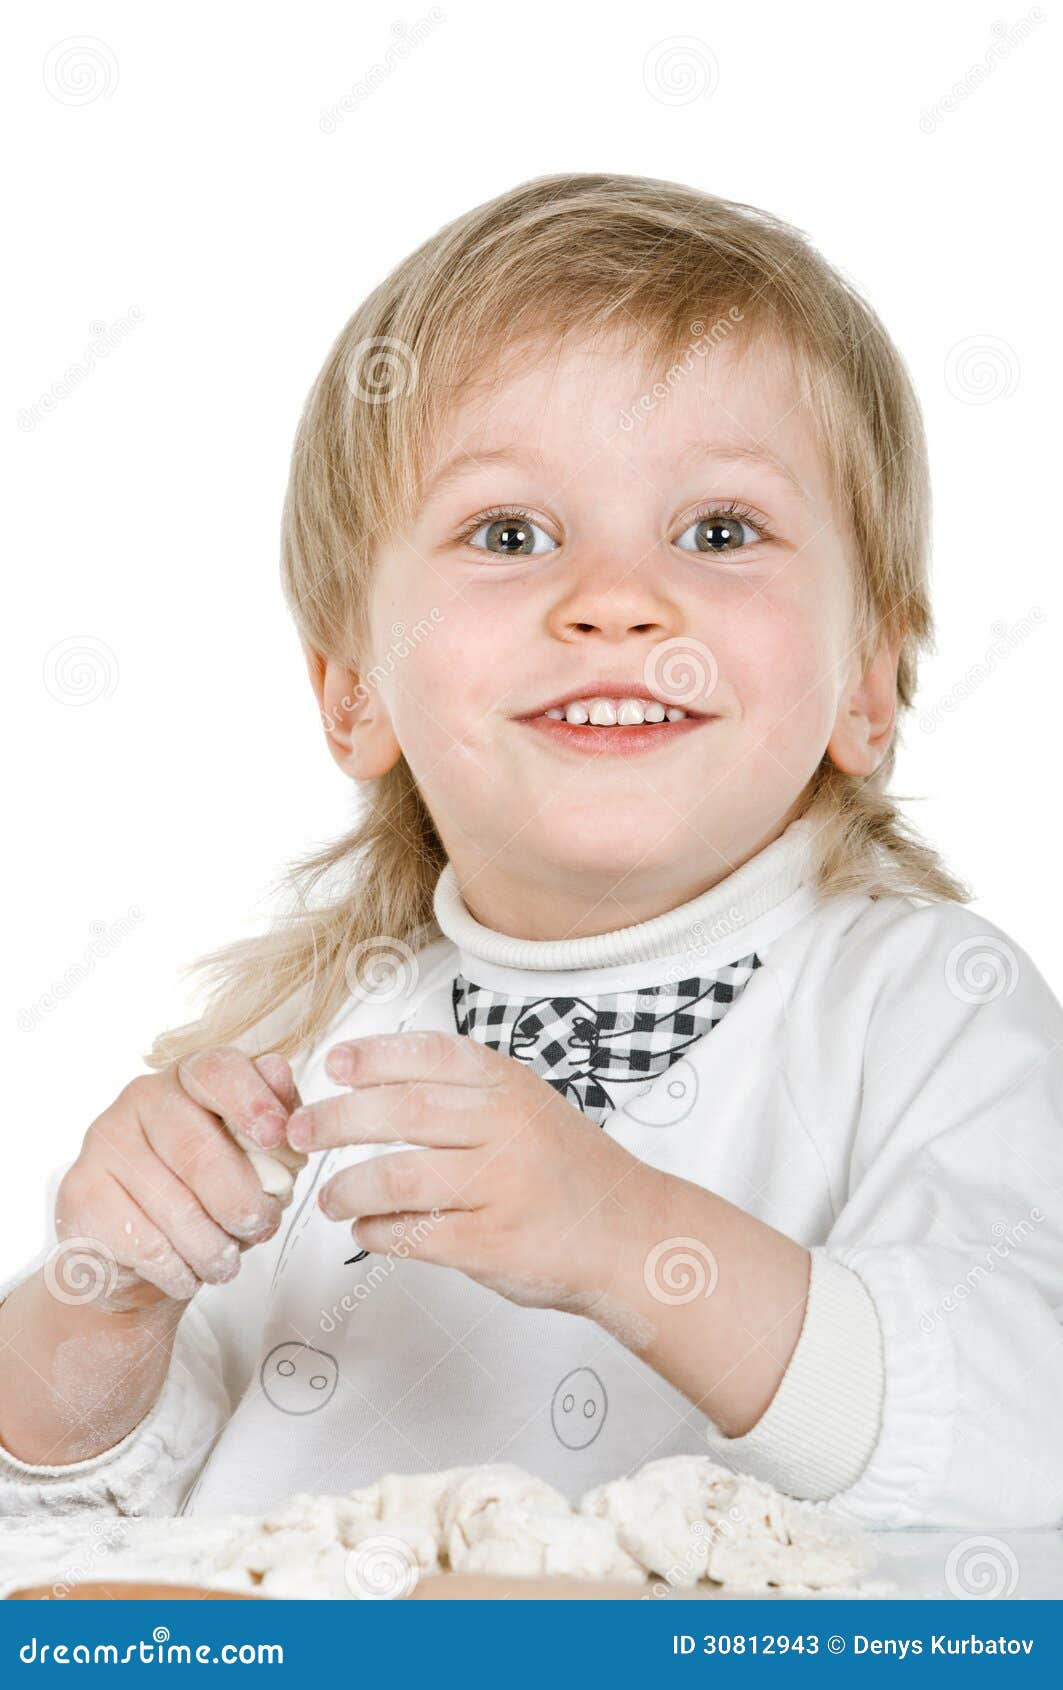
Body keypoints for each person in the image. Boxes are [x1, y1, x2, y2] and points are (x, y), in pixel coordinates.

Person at [2, 173, 1060, 1532]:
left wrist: (626, 1236)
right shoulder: (299, 1040)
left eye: (719, 531)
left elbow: (1027, 1437)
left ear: (869, 677)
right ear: (353, 690)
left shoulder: (926, 1008)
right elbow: (60, 1503)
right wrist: (104, 1293)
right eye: (511, 534)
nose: (617, 601)